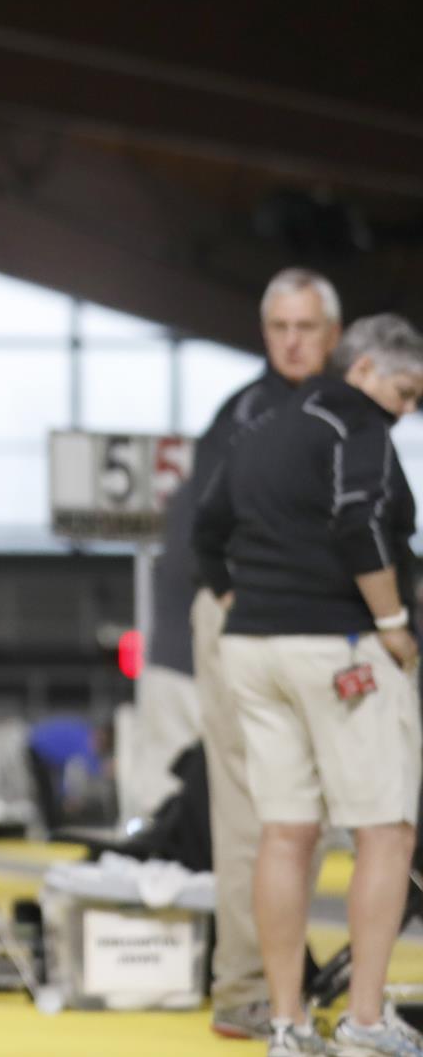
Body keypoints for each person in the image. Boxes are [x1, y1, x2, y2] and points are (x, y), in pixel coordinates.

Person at [197, 314, 423, 1057]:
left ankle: (290, 1026)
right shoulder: (355, 420)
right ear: (362, 370)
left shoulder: (260, 423)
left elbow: (206, 525)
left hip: (253, 648)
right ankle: (363, 1022)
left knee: (286, 831)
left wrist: (240, 598)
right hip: (340, 645)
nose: (407, 408)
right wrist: (392, 620)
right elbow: (361, 519)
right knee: (383, 829)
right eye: (405, 388)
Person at [170, 266, 343, 1041]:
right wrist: (238, 596)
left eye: (307, 327)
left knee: (316, 812)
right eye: (280, 327)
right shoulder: (242, 414)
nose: (293, 341)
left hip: (326, 620)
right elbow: (204, 528)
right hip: (250, 611)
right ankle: (246, 986)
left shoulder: (349, 410)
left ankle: (277, 980)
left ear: (332, 334)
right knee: (255, 812)